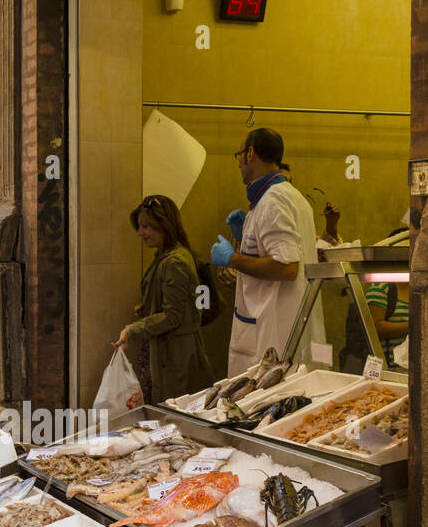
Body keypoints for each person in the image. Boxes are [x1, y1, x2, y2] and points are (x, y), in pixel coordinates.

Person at [211, 128, 317, 377]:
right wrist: (244, 236)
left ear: (250, 154)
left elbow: (287, 267)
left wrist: (233, 259)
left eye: (239, 155)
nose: (238, 164)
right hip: (279, 328)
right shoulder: (289, 198)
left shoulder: (273, 200)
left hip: (273, 333)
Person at [112, 194, 213, 402]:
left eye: (146, 226)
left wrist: (132, 330)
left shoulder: (174, 262)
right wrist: (148, 305)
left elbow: (172, 316)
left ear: (164, 225)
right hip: (169, 351)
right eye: (140, 226)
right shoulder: (170, 255)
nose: (141, 233)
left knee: (167, 419)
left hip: (172, 356)